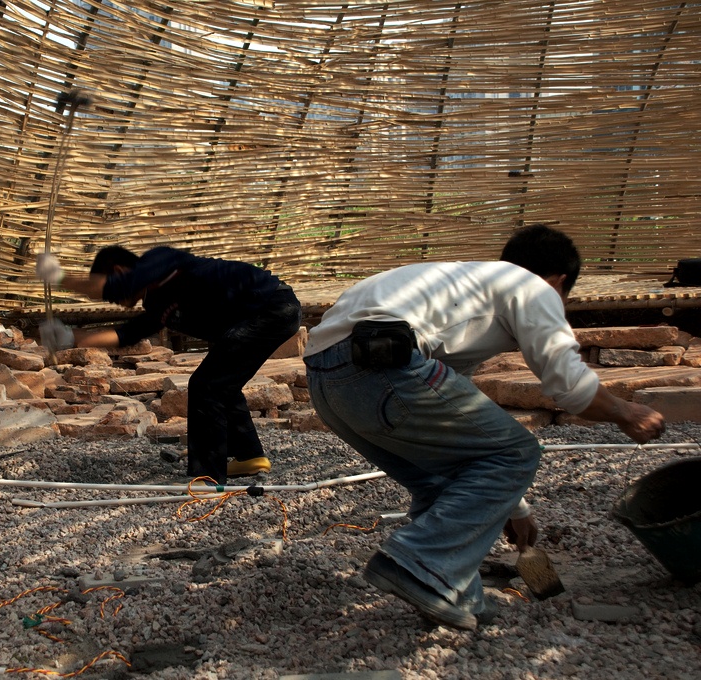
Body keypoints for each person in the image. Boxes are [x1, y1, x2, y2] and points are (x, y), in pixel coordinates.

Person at [302, 223, 666, 631]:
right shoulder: (532, 287)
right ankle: (421, 562)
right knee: (518, 452)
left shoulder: (462, 288)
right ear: (560, 281)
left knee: (439, 480)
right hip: (383, 364)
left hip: (327, 379)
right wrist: (626, 412)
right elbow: (570, 387)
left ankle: (455, 593)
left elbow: (458, 413)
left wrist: (514, 506)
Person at [36, 245, 302, 484]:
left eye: (106, 288)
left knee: (205, 386)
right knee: (223, 386)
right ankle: (249, 457)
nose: (111, 299)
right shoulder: (157, 301)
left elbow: (120, 286)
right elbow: (126, 334)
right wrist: (71, 337)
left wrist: (59, 278)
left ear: (119, 270)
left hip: (272, 306)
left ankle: (209, 479)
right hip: (266, 314)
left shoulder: (160, 260)